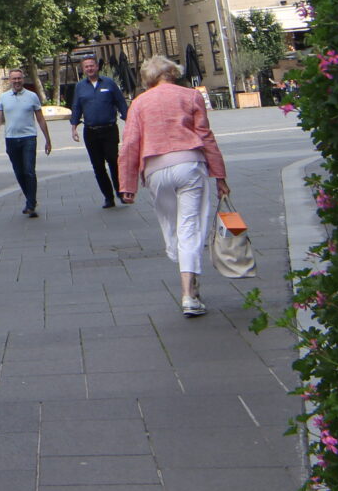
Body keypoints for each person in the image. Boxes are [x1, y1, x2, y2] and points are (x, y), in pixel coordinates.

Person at [118, 54, 228, 317]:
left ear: (149, 77)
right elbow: (205, 136)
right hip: (189, 164)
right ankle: (189, 293)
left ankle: (189, 280)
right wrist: (220, 176)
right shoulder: (191, 96)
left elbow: (130, 143)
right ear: (173, 73)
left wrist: (127, 184)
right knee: (190, 227)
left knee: (172, 227)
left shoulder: (139, 103)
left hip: (155, 170)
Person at [68, 54, 130, 208]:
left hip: (109, 130)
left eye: (92, 65)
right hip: (91, 131)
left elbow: (121, 102)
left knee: (114, 162)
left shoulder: (109, 83)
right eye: (86, 66)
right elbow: (76, 106)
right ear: (83, 69)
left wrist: (129, 121)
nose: (89, 68)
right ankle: (108, 197)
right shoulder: (80, 86)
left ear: (97, 67)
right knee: (98, 166)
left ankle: (120, 192)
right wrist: (74, 126)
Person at [0, 67, 51, 216]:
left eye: (19, 78)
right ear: (9, 80)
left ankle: (31, 204)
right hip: (11, 138)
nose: (17, 81)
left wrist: (48, 140)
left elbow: (40, 119)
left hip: (29, 138)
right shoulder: (3, 97)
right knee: (19, 172)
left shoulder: (32, 96)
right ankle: (30, 199)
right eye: (14, 79)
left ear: (23, 79)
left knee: (29, 170)